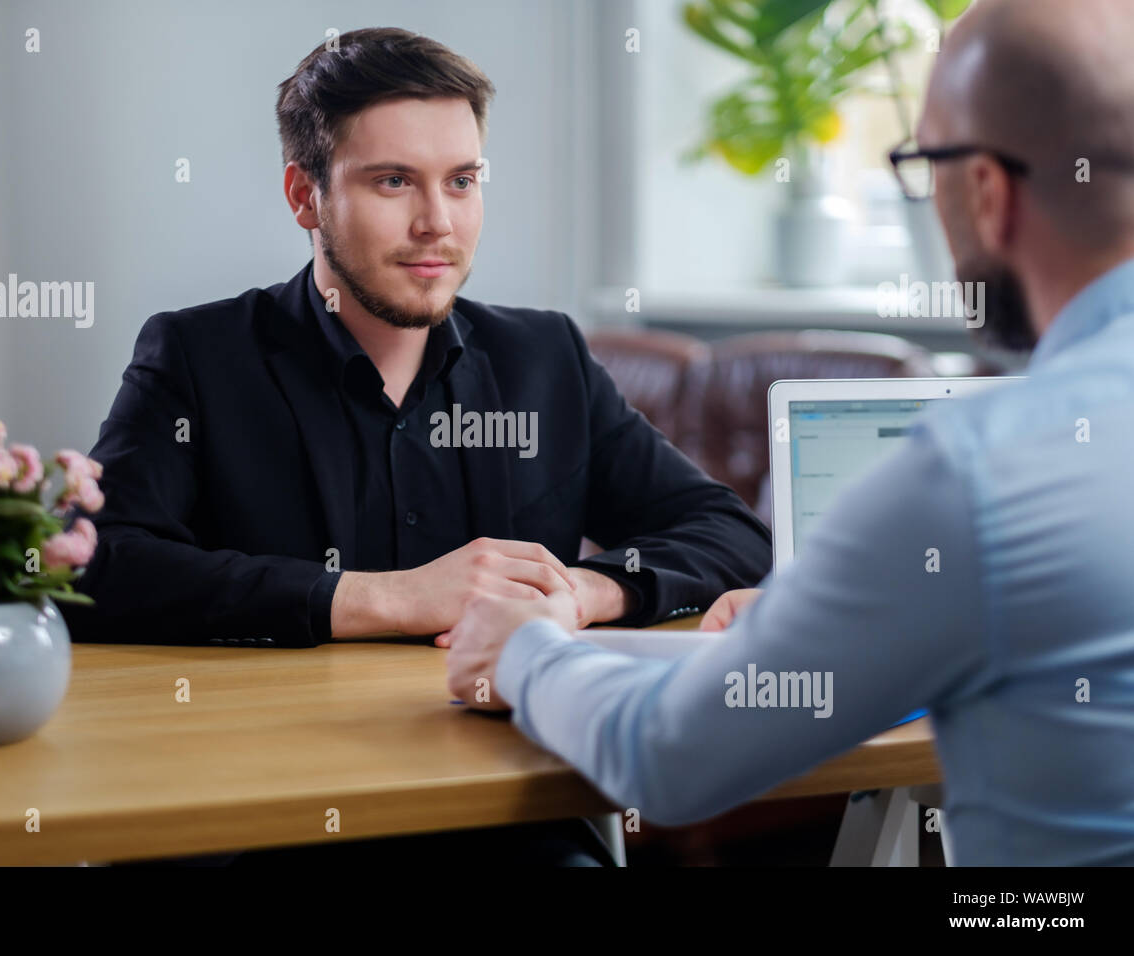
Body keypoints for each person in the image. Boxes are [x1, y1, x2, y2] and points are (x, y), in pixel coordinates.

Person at [446, 0, 1134, 866]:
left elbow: (669, 760)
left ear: (990, 193)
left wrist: (525, 651)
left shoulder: (981, 476)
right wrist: (830, 622)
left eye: (925, 166)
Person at [70, 26, 772, 866]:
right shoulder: (198, 355)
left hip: (505, 812)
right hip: (264, 810)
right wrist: (391, 598)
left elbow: (728, 533)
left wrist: (583, 594)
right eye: (393, 181)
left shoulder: (544, 358)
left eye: (463, 181)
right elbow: (97, 566)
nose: (437, 223)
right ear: (306, 196)